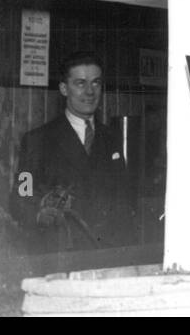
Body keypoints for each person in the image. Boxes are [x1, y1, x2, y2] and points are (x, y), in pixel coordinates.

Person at [11, 51, 136, 252]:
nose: (90, 92)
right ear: (63, 89)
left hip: (107, 252)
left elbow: (125, 199)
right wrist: (39, 212)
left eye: (95, 83)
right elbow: (20, 197)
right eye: (80, 83)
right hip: (61, 253)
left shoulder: (111, 138)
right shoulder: (38, 140)